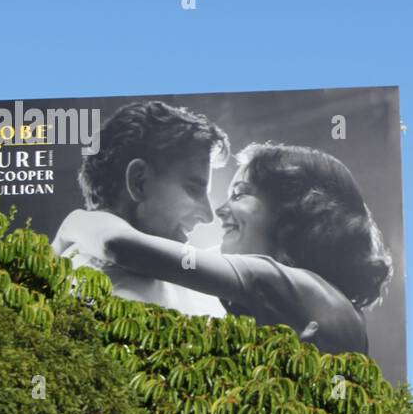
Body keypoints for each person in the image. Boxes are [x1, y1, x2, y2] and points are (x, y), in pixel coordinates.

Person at [54, 142, 393, 356]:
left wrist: (76, 222)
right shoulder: (333, 305)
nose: (218, 210)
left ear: (293, 211)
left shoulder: (291, 282)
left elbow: (122, 246)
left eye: (239, 193)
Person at [52, 100, 231, 316]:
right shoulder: (100, 292)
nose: (209, 215)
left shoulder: (171, 271)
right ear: (139, 181)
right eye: (193, 189)